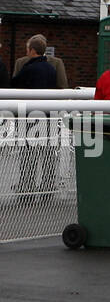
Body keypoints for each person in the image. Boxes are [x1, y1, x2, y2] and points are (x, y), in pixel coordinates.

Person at [11, 35, 61, 195]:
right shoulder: (52, 67)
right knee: (48, 153)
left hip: (29, 116)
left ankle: (27, 188)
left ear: (32, 50)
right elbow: (61, 87)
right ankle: (47, 187)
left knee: (28, 153)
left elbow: (15, 87)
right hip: (49, 115)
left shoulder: (26, 66)